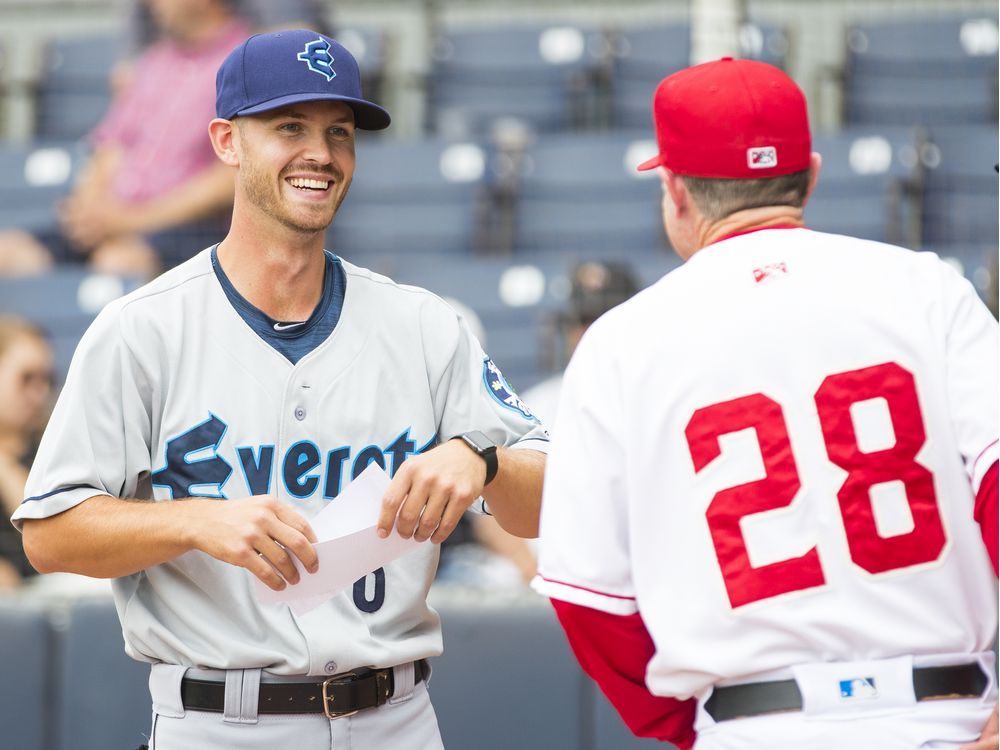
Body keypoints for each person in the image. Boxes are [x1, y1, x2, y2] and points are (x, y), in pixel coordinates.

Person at [14, 29, 547, 750]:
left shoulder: (423, 324)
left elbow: (551, 498)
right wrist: (193, 522)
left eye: (339, 131)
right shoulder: (141, 330)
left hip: (395, 718)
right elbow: (49, 535)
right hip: (216, 721)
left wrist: (484, 461)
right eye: (289, 127)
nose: (320, 153)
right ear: (226, 141)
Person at [532, 57, 998, 750]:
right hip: (946, 713)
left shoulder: (620, 343)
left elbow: (589, 597)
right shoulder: (929, 290)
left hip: (755, 725)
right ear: (811, 175)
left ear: (675, 189)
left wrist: (693, 726)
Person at [0, 0, 251, 278]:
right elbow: (111, 145)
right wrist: (90, 209)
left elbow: (231, 177)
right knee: (8, 253)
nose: (152, 5)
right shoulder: (153, 62)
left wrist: (131, 220)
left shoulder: (245, 65)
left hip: (188, 227)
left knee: (118, 264)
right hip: (115, 219)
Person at [0, 317, 54, 591]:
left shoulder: (51, 448)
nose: (40, 393)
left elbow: (47, 532)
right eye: (26, 378)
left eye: (47, 380)